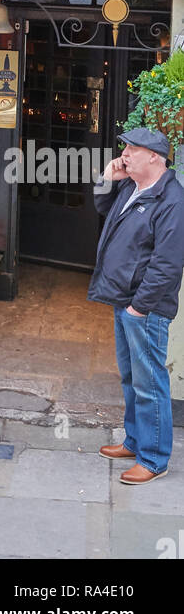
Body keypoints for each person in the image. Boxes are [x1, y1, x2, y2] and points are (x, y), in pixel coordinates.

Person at [88, 126, 184, 484]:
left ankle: (154, 459)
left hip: (145, 309)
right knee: (131, 378)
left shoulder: (172, 202)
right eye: (124, 147)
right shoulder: (132, 186)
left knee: (150, 383)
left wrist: (139, 308)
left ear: (154, 158)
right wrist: (106, 178)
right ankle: (133, 441)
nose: (124, 154)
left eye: (133, 149)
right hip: (124, 300)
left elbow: (167, 265)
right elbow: (103, 208)